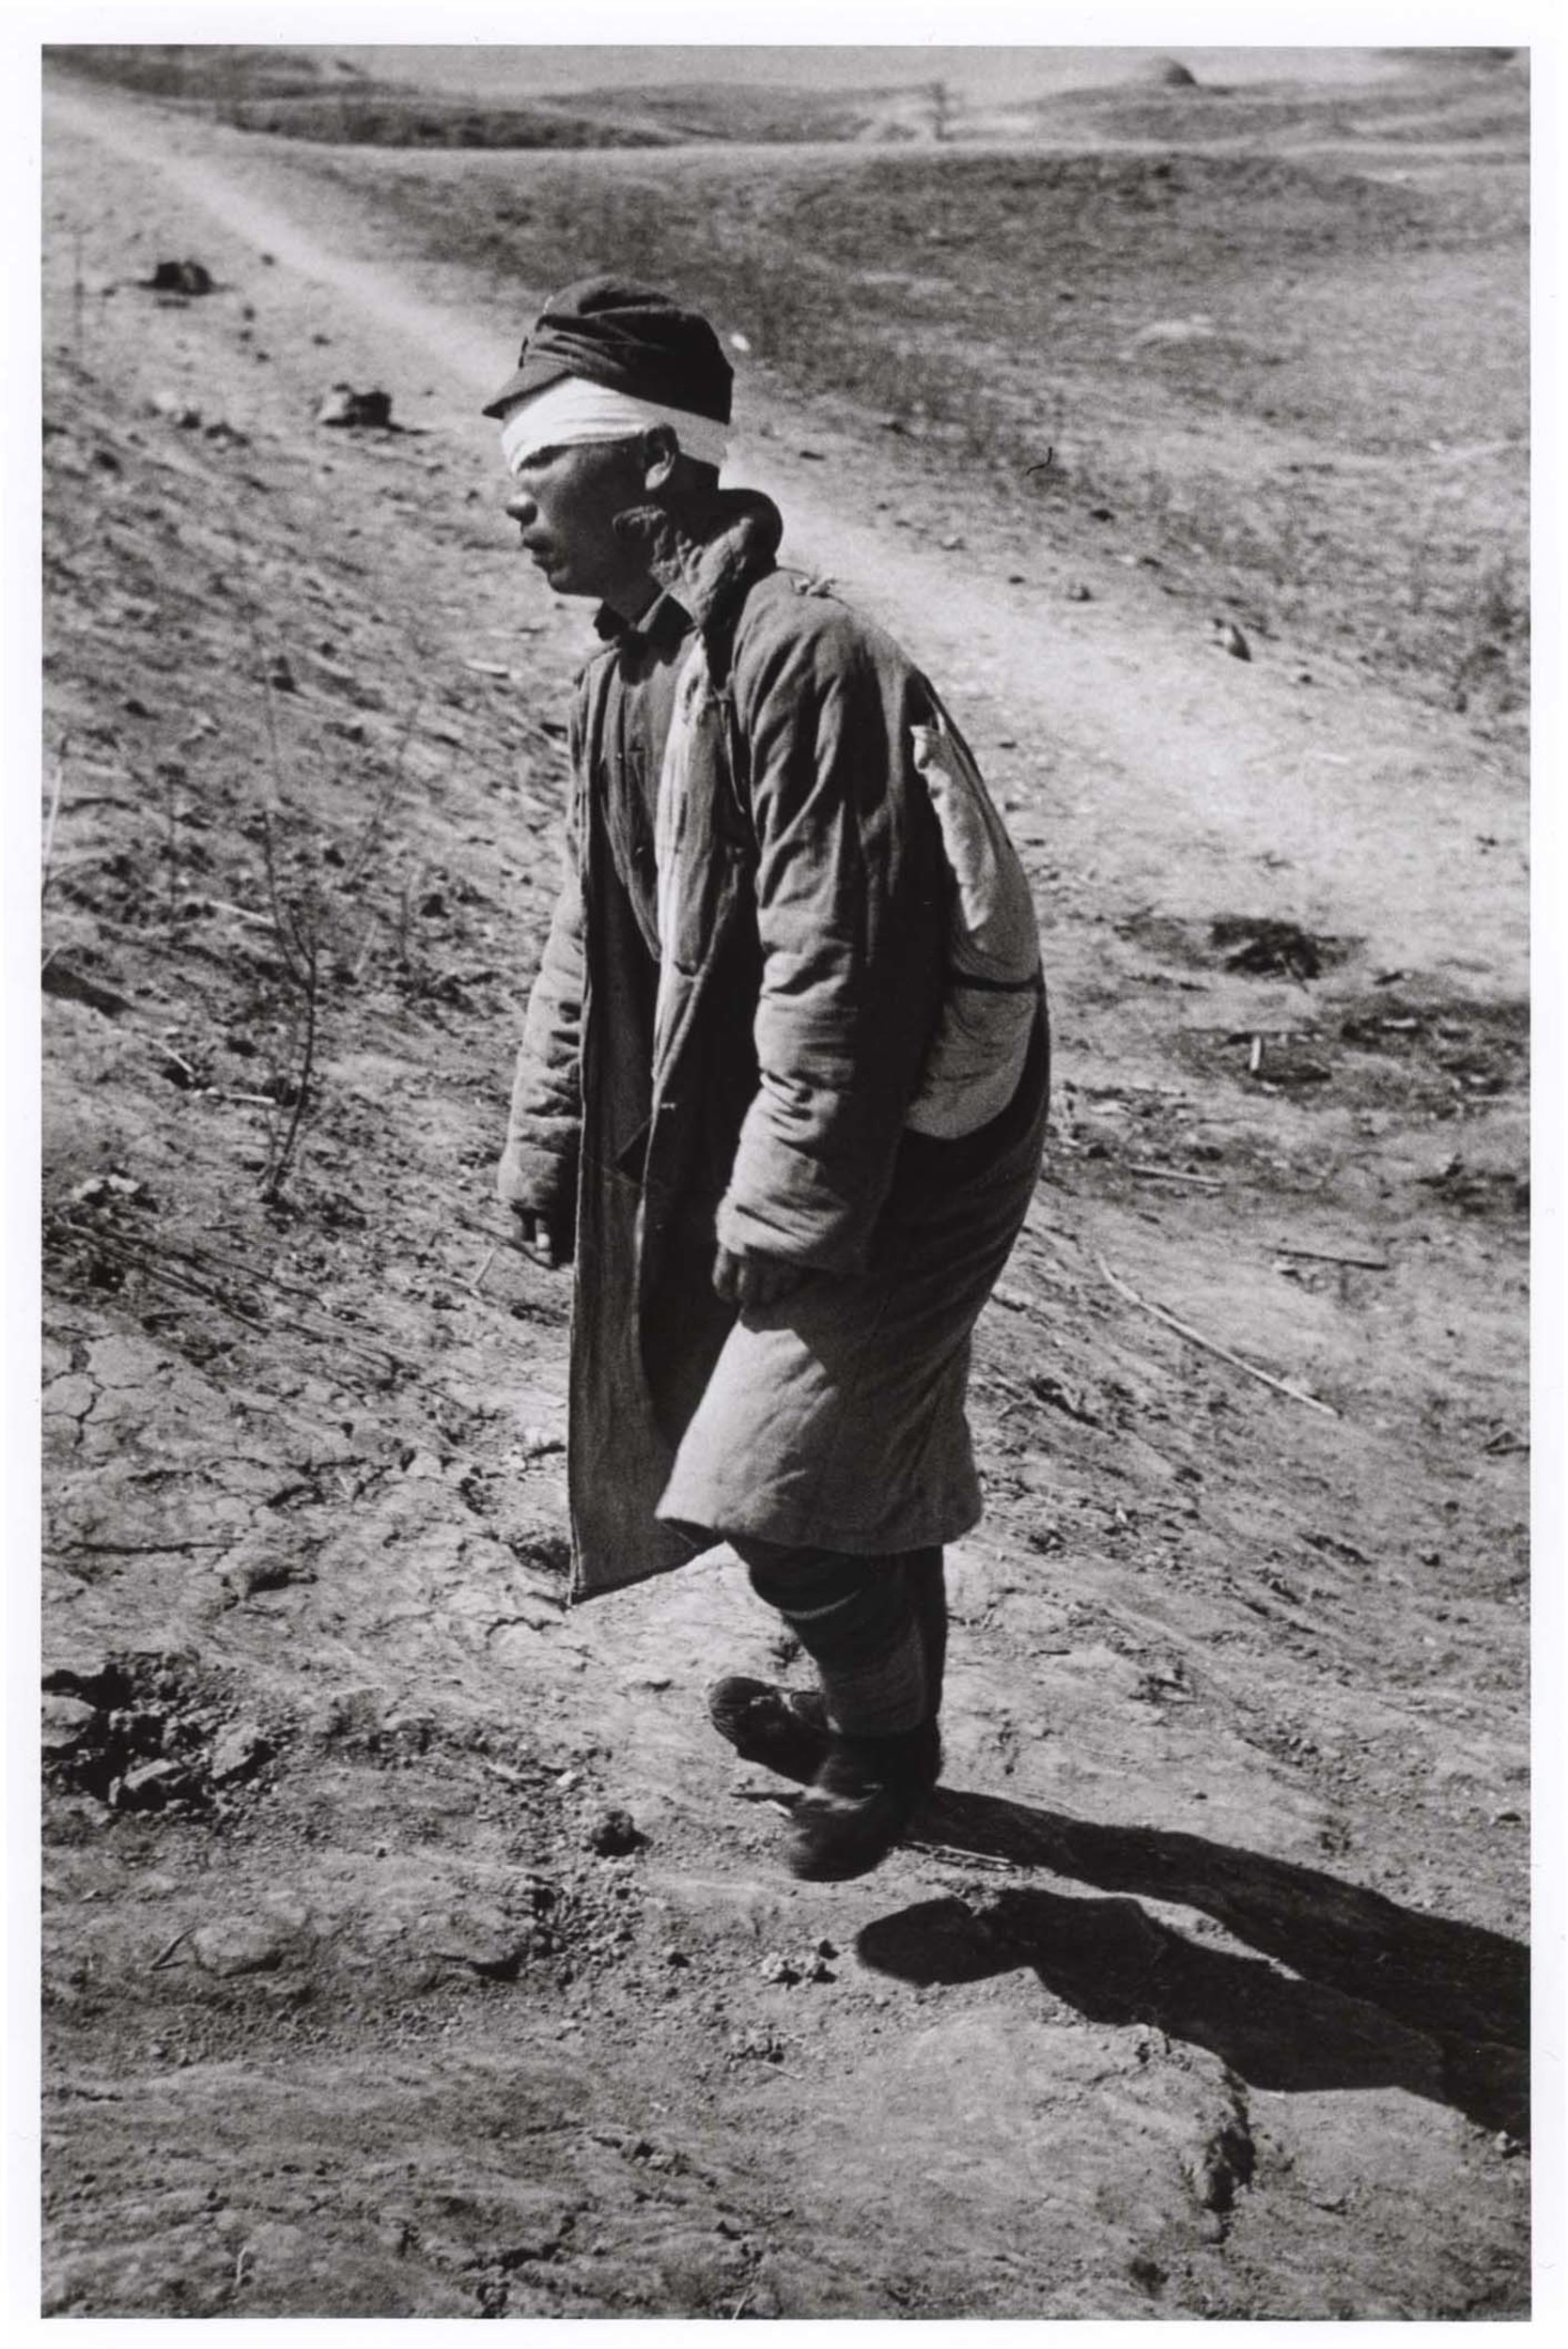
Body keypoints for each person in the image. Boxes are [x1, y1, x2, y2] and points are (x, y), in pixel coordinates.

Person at [488, 278, 1048, 1881]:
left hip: (911, 1124)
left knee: (774, 1479)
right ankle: (880, 1709)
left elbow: (845, 966)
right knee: (802, 1455)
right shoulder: (626, 676)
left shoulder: (804, 657)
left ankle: (884, 1744)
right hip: (769, 1111)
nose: (511, 500)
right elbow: (590, 936)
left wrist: (791, 1199)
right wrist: (545, 1141)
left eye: (541, 466)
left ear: (654, 471)